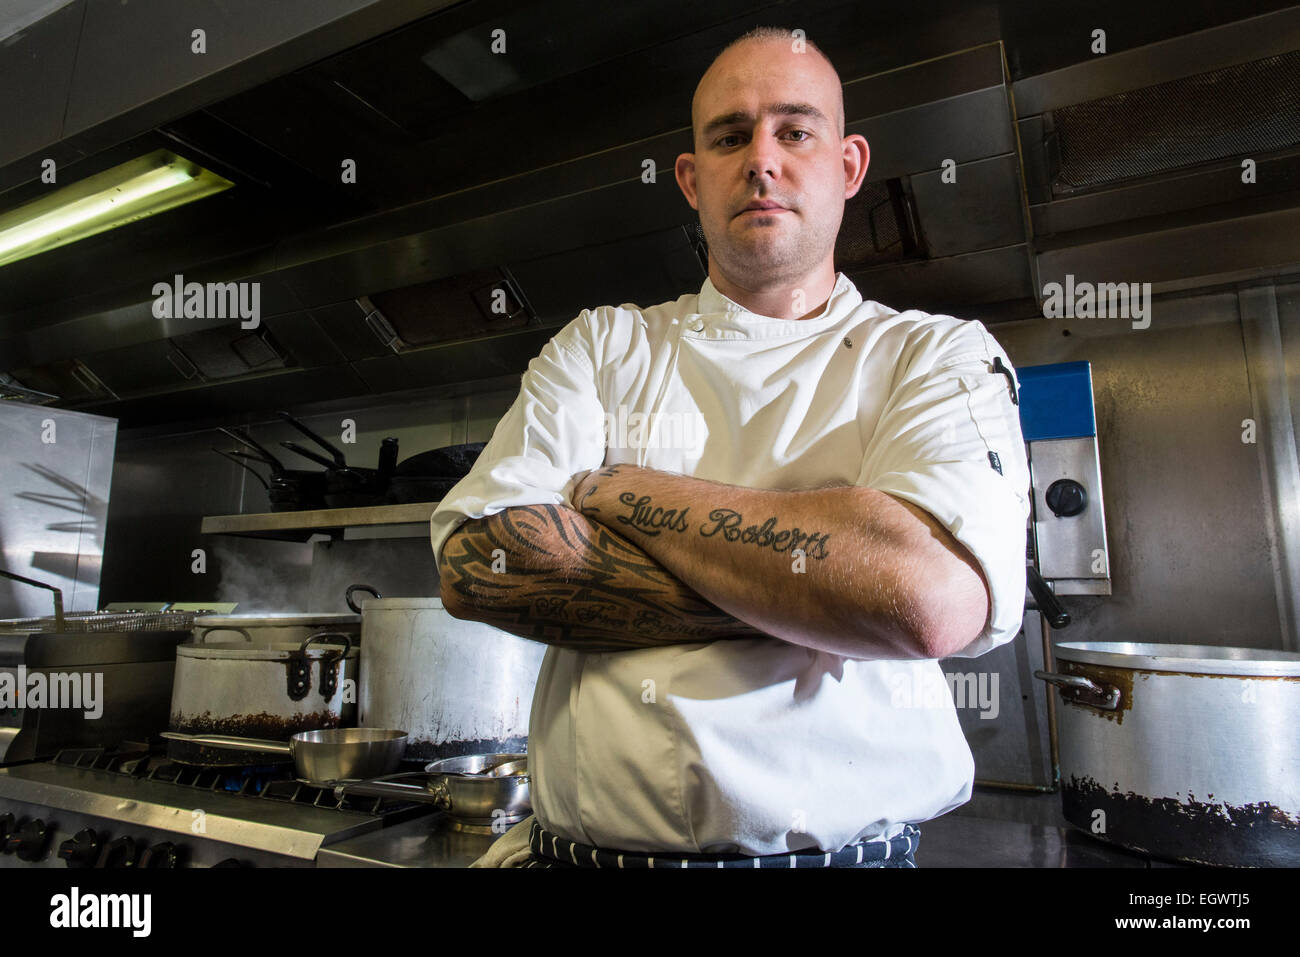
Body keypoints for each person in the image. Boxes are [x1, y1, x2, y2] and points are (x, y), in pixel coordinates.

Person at [430, 26, 1030, 868]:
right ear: (690, 178)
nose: (761, 159)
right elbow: (479, 563)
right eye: (728, 136)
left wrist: (621, 493)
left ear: (849, 165)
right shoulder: (604, 346)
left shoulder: (935, 356)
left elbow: (924, 598)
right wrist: (826, 591)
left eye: (795, 130)